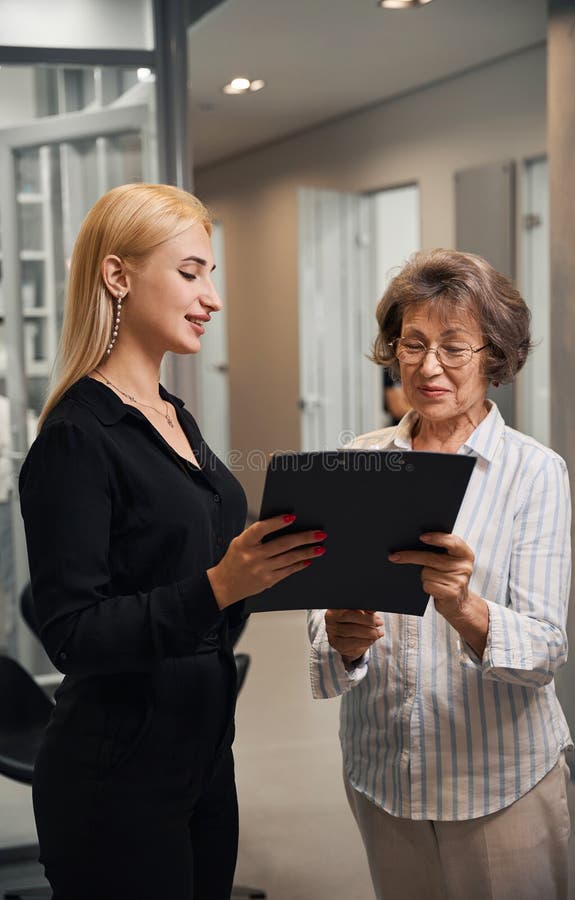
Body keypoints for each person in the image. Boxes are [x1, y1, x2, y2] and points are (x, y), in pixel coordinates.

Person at [19, 183, 326, 900]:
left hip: (204, 758)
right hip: (115, 779)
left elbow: (202, 599)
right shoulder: (77, 437)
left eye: (211, 275)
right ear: (118, 276)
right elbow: (73, 635)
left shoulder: (176, 419)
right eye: (191, 272)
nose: (212, 297)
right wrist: (222, 584)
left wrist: (268, 571)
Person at [308, 248, 572, 900]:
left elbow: (543, 650)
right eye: (414, 344)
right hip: (384, 777)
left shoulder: (535, 473)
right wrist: (340, 638)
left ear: (494, 356)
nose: (429, 367)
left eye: (454, 348)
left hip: (499, 783)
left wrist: (464, 607)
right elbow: (326, 625)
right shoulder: (357, 461)